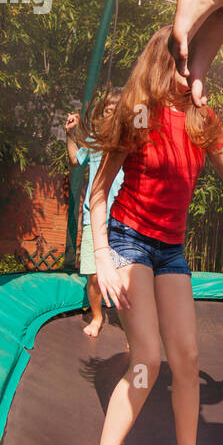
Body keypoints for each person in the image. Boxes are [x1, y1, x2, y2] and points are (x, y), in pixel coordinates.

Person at [84, 26, 223, 445]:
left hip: (170, 249)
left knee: (187, 359)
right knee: (149, 357)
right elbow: (97, 194)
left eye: (194, 67)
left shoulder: (202, 119)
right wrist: (104, 262)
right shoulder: (139, 114)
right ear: (162, 63)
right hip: (129, 241)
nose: (189, 75)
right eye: (181, 65)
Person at [65, 90, 124, 337]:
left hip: (122, 217)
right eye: (107, 106)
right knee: (94, 275)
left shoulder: (129, 140)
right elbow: (75, 159)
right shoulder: (95, 140)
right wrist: (70, 134)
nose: (110, 109)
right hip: (94, 218)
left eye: (116, 106)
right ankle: (98, 317)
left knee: (127, 277)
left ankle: (130, 328)